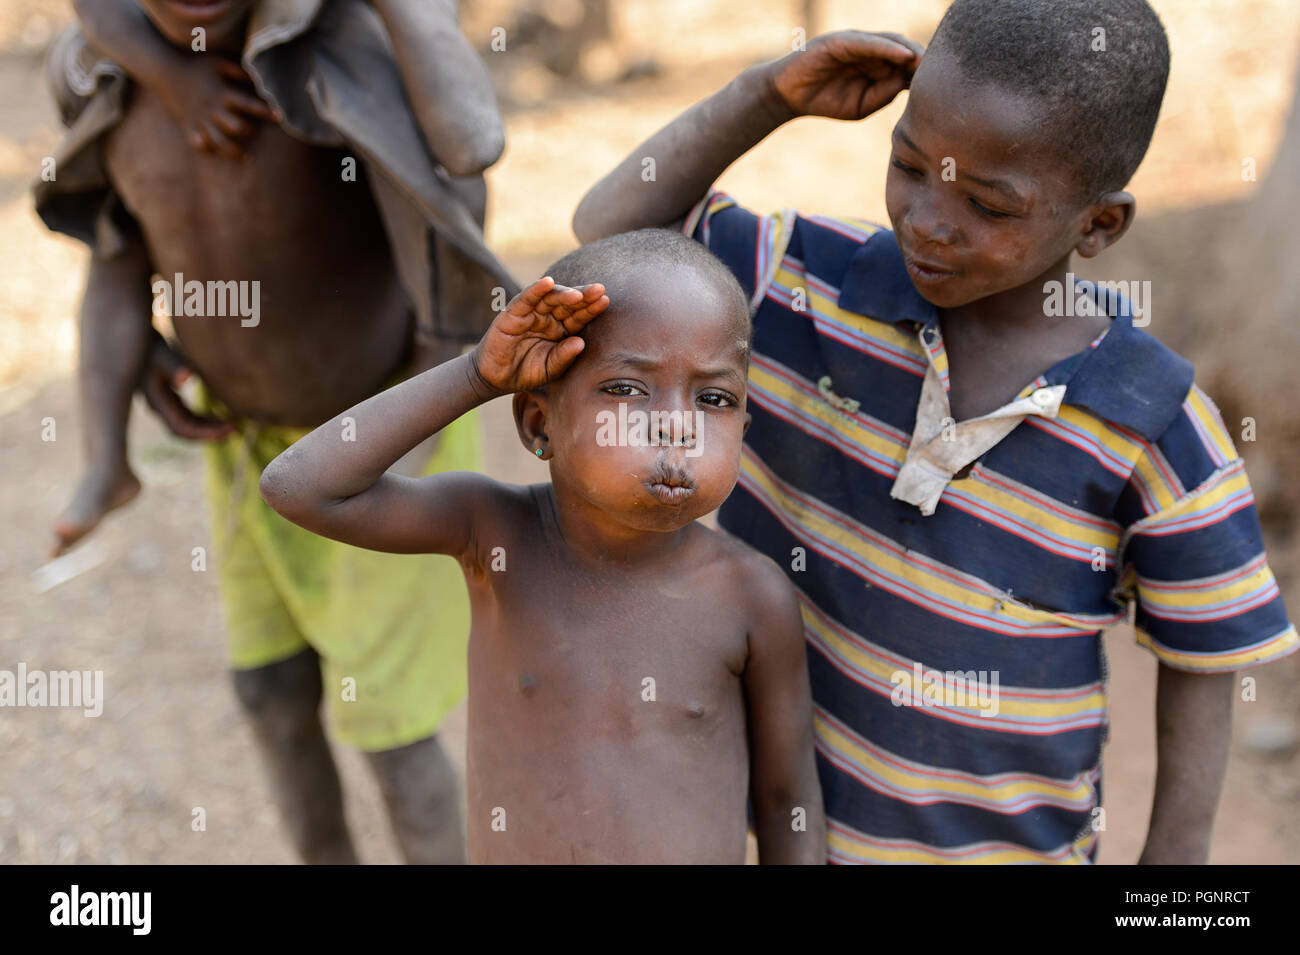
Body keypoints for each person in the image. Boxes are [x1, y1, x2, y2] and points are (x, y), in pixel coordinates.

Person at [573, 0, 1298, 863]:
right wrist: (765, 95)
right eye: (910, 164)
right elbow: (608, 232)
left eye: (989, 205)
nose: (927, 218)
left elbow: (1203, 658)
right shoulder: (797, 284)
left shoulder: (1152, 424)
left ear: (1098, 224)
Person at [35, 0, 516, 863]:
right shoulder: (110, 75)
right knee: (270, 690)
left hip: (386, 446)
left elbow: (470, 147)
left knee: (394, 736)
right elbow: (124, 243)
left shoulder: (338, 58)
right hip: (246, 441)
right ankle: (106, 460)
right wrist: (175, 82)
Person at [259, 231, 826, 864]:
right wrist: (475, 376)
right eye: (627, 390)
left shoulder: (753, 597)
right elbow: (300, 487)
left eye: (713, 398)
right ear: (538, 422)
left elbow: (786, 805)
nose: (677, 427)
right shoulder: (494, 534)